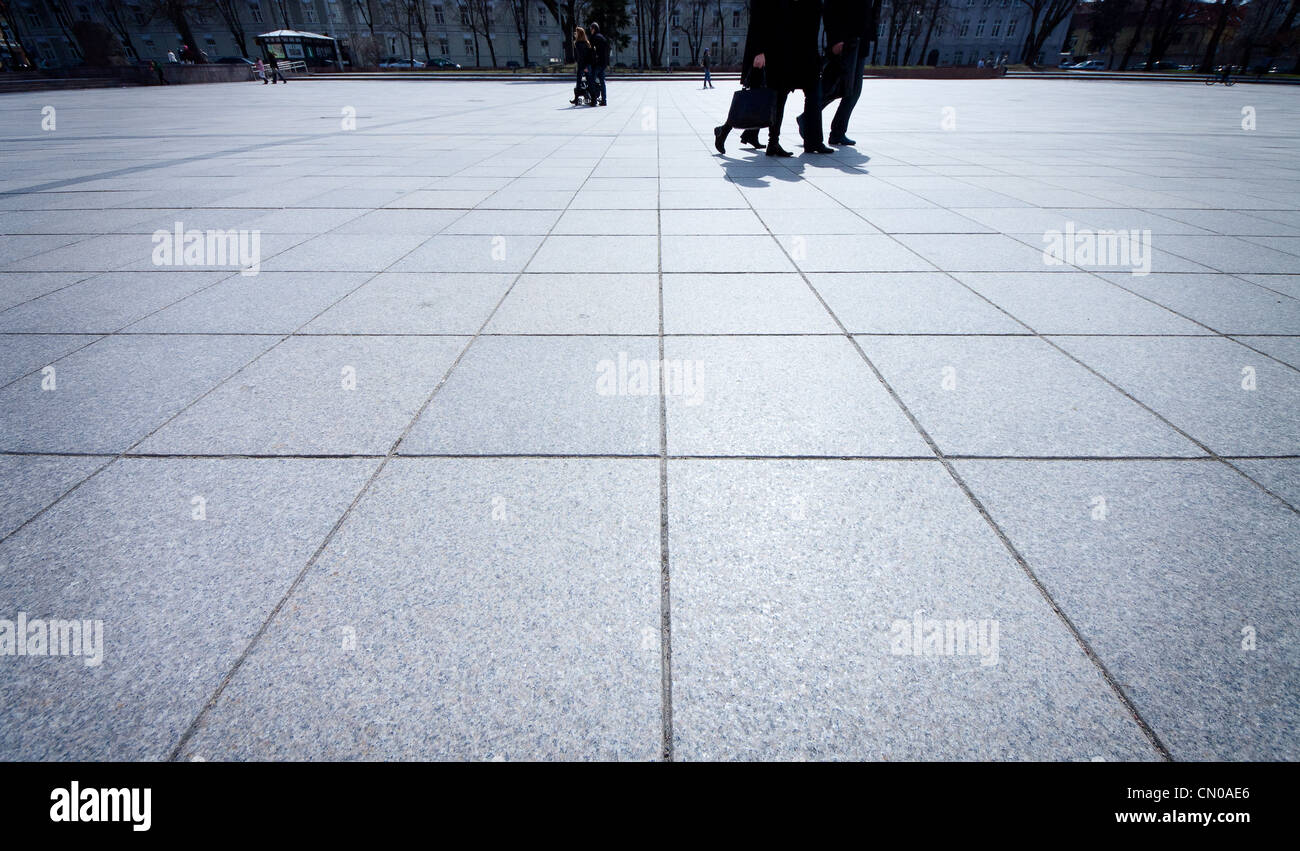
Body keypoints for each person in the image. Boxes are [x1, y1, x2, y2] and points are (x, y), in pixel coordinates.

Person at [714, 0, 831, 157]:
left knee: (779, 98)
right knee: (756, 98)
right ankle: (725, 129)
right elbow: (758, 18)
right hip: (768, 51)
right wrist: (759, 51)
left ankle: (773, 143)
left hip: (785, 50)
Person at [802, 0, 880, 147]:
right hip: (846, 40)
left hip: (861, 41)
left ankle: (837, 132)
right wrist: (835, 39)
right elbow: (830, 9)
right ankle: (809, 119)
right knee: (836, 86)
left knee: (854, 91)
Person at [571, 27, 594, 105]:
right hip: (588, 65)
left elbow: (581, 56)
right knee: (590, 82)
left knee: (578, 82)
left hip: (582, 65)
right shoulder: (587, 43)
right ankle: (593, 99)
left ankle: (576, 99)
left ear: (579, 34)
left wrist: (584, 67)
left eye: (576, 33)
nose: (575, 34)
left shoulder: (578, 44)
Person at [588, 22, 609, 106]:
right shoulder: (602, 37)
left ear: (593, 29)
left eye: (591, 29)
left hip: (597, 63)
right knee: (602, 82)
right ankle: (604, 100)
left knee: (591, 80)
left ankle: (593, 100)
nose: (590, 31)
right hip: (603, 63)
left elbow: (591, 50)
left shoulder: (594, 37)